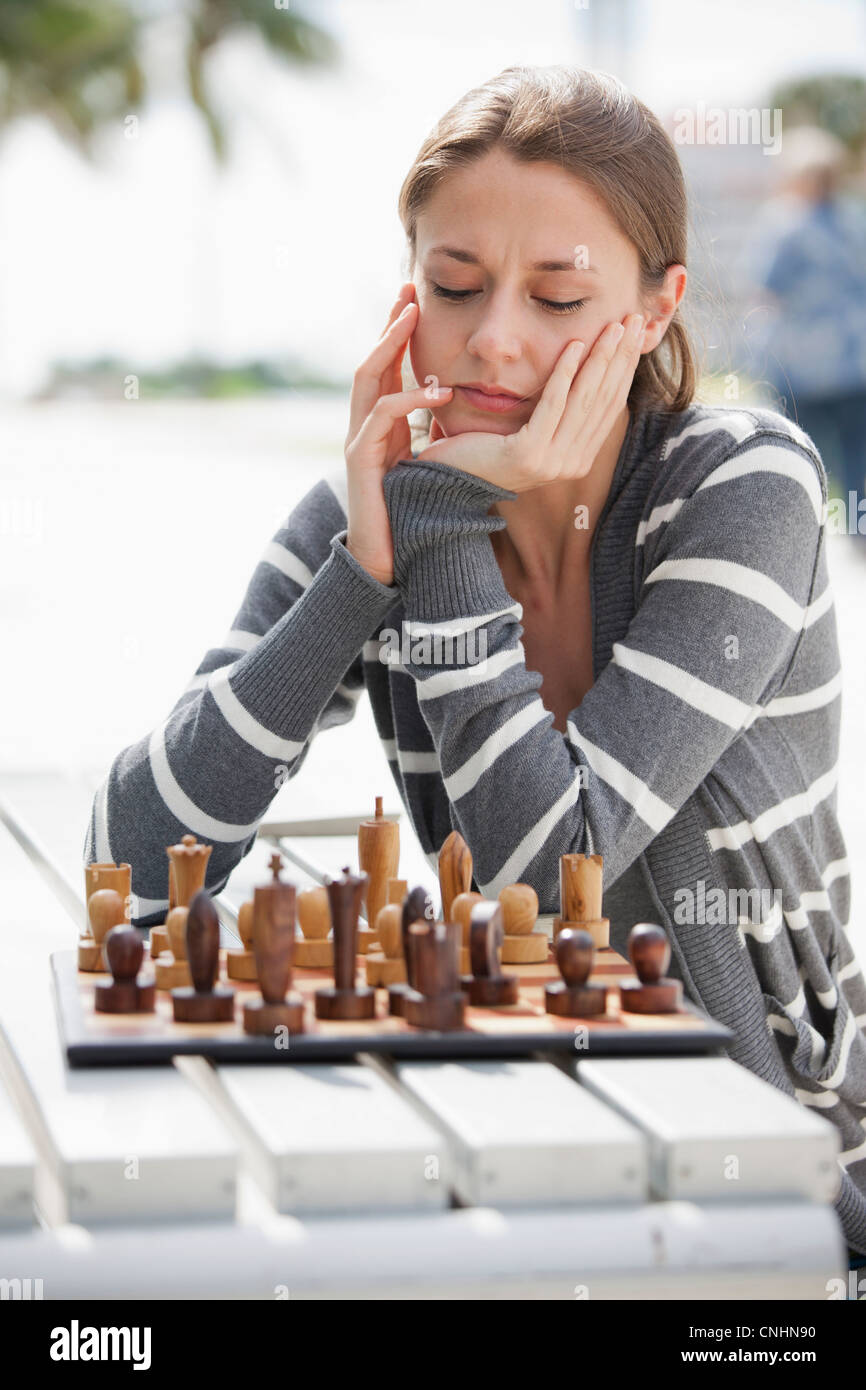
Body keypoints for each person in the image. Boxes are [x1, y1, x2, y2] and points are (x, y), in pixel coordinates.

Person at [84, 65, 866, 1259]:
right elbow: (128, 866)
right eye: (454, 286)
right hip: (522, 1124)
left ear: (653, 312)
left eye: (557, 298)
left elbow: (555, 879)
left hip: (783, 1162)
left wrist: (442, 523)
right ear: (409, 300)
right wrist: (360, 575)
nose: (492, 339)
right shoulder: (375, 510)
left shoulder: (738, 483)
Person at [740, 125, 866, 543]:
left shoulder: (784, 223)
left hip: (802, 362)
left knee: (797, 452)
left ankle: (797, 539)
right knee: (856, 456)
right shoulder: (854, 220)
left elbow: (763, 288)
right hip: (855, 358)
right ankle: (859, 534)